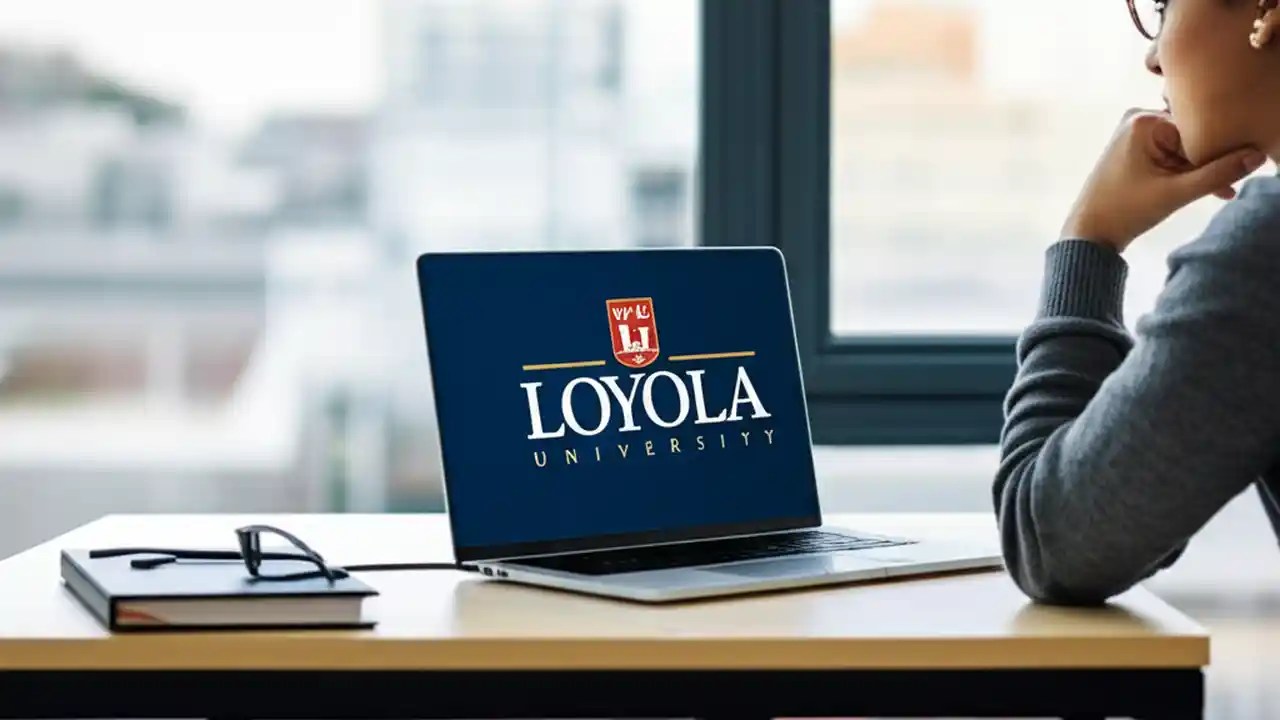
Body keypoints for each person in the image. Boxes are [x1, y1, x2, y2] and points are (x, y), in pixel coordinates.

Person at [995, 0, 1280, 605]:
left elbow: (1053, 541)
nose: (1152, 57)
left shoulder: (1268, 262)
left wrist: (1088, 238)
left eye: (1164, 5)